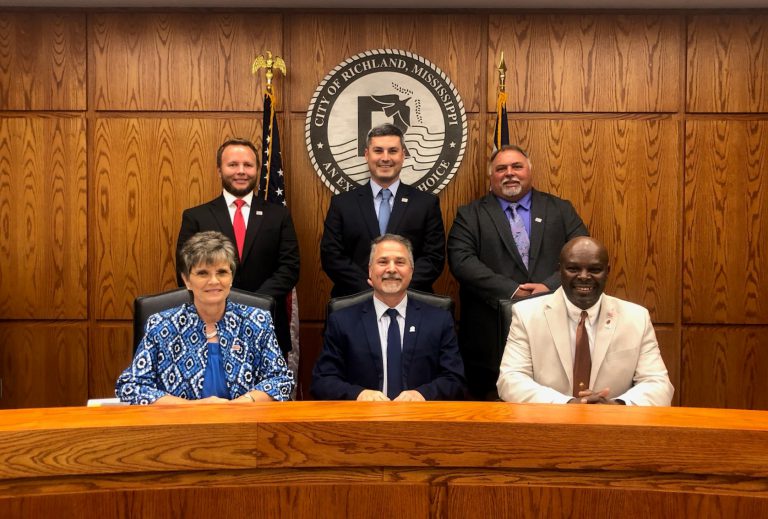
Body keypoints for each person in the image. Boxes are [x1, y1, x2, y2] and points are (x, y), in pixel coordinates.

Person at [447, 144, 588, 399]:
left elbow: (583, 255)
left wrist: (548, 287)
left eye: (517, 166)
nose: (509, 173)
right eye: (501, 168)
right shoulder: (470, 214)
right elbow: (461, 261)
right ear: (491, 176)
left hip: (554, 326)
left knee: (552, 400)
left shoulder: (560, 209)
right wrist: (513, 291)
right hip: (490, 337)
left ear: (529, 171)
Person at [117, 231, 293, 404]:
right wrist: (191, 408)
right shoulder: (162, 325)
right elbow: (131, 386)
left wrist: (241, 404)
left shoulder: (257, 321)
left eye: (222, 272)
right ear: (186, 280)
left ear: (231, 278)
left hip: (242, 420)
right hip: (182, 421)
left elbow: (280, 379)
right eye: (203, 273)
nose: (214, 281)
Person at [497, 236, 673, 406]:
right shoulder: (526, 314)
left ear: (607, 272)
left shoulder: (636, 318)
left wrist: (617, 405)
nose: (583, 276)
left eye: (594, 270)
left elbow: (658, 384)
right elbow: (510, 380)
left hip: (611, 422)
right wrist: (567, 403)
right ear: (560, 271)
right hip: (549, 420)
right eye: (573, 269)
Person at [176, 138, 299, 355]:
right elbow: (185, 270)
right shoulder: (196, 217)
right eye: (233, 164)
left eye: (248, 165)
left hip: (266, 321)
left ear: (257, 170)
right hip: (210, 324)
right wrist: (225, 302)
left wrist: (253, 303)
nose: (241, 171)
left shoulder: (278, 215)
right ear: (219, 170)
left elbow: (290, 268)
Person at [312, 234, 465, 401]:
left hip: (420, 415)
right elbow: (322, 381)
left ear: (411, 271)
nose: (391, 269)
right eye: (383, 262)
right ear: (370, 271)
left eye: (400, 262)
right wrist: (359, 395)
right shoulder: (342, 321)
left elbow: (455, 380)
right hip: (363, 415)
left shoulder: (439, 320)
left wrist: (422, 395)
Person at [320, 124, 445, 298]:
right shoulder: (342, 204)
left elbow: (434, 258)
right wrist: (374, 289)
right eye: (378, 151)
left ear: (403, 155)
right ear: (367, 155)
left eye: (393, 151)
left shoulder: (426, 204)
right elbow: (332, 257)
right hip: (355, 300)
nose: (385, 158)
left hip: (410, 301)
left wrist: (397, 287)